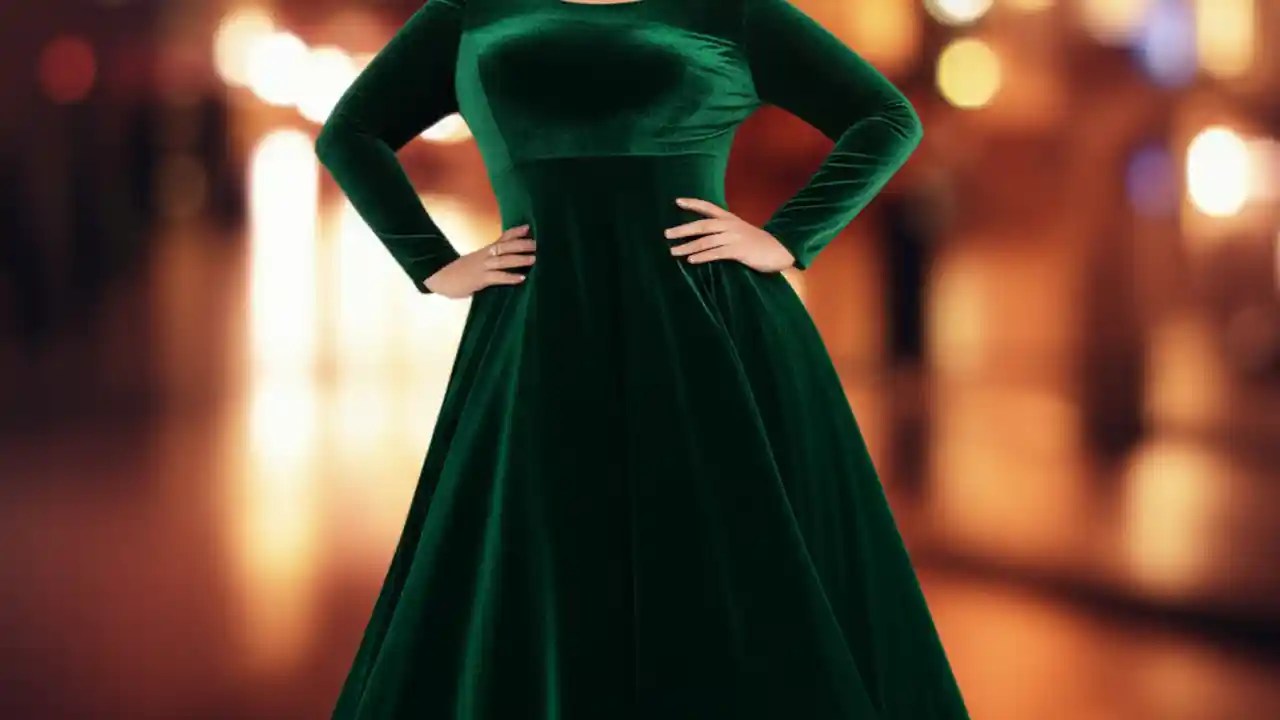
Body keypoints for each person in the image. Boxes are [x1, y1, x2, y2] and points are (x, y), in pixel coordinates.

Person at [314, 0, 969, 717]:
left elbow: (885, 119)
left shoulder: (734, 10)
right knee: (548, 560)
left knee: (721, 573)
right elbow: (352, 134)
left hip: (710, 332)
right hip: (539, 333)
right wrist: (431, 262)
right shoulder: (469, 12)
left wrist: (788, 238)